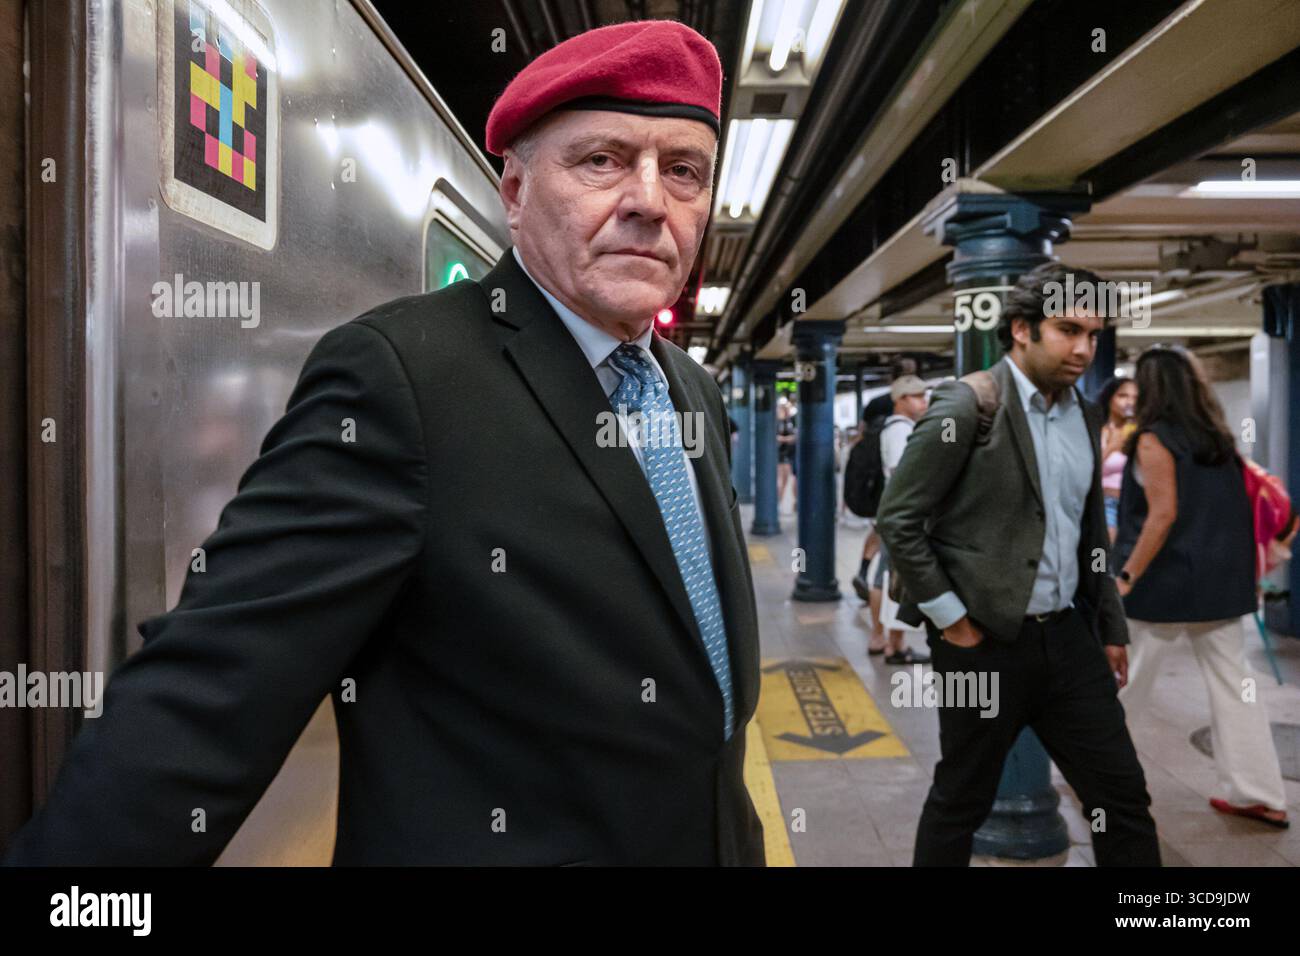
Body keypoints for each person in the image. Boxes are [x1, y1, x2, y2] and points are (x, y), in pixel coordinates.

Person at [3, 20, 764, 866]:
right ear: (513, 192)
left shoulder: (688, 390)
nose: (649, 201)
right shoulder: (403, 380)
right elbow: (212, 695)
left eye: (684, 171)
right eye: (603, 161)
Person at [877, 261, 1160, 866]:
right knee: (962, 798)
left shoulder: (1086, 415)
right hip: (983, 643)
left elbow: (1090, 534)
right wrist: (955, 625)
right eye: (1067, 330)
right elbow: (898, 519)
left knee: (1122, 798)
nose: (1084, 348)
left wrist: (1109, 627)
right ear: (1022, 330)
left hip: (1068, 638)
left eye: (1093, 334)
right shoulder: (967, 404)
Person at [1114, 346, 1289, 828]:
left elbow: (1162, 515)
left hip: (1163, 586)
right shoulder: (1218, 439)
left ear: (1151, 388)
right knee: (1237, 689)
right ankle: (1260, 793)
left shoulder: (1153, 439)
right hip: (1219, 585)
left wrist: (1127, 576)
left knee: (1123, 689)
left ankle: (1104, 786)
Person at [867, 374, 930, 664]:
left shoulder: (898, 429)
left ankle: (882, 639)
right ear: (901, 400)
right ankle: (894, 644)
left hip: (891, 514)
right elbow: (901, 475)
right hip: (900, 516)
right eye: (917, 396)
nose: (923, 402)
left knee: (883, 575)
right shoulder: (899, 432)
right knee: (892, 577)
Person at [1096, 375, 1137, 542]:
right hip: (1106, 504)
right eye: (1123, 396)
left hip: (1134, 505)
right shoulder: (1099, 431)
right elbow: (1086, 471)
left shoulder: (1139, 432)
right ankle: (1097, 568)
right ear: (1109, 398)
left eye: (1135, 398)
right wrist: (1112, 446)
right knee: (1100, 556)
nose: (1129, 402)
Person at [777, 398, 797, 512]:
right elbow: (776, 438)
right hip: (780, 453)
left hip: (789, 453)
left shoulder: (790, 421)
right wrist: (786, 439)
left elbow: (794, 436)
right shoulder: (777, 422)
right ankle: (778, 502)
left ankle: (781, 502)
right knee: (781, 480)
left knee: (786, 480)